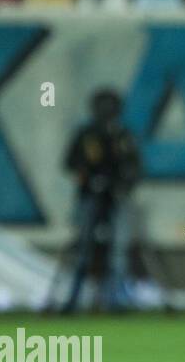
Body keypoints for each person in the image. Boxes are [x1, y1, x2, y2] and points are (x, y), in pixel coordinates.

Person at [60, 89, 140, 313]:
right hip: (89, 197)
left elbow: (135, 167)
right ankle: (74, 300)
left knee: (118, 251)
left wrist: (121, 184)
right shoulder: (86, 135)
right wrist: (89, 177)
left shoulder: (123, 135)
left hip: (117, 197)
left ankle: (114, 302)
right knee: (82, 249)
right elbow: (70, 163)